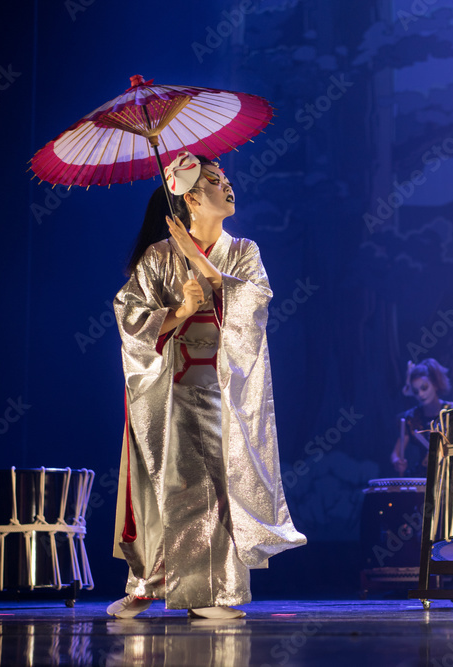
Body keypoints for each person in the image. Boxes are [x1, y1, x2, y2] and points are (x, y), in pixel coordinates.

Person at [108, 151, 306, 619]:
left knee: (219, 489)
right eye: (216, 181)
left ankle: (214, 592)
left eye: (225, 178)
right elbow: (129, 317)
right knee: (161, 488)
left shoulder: (244, 252)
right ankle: (147, 583)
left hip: (222, 391)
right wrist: (178, 311)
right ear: (191, 198)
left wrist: (212, 278)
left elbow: (255, 306)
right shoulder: (159, 257)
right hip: (171, 392)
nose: (228, 185)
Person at [390, 359, 453, 476]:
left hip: (448, 475)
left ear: (435, 384)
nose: (421, 394)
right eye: (416, 391)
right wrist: (397, 462)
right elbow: (396, 453)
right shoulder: (412, 417)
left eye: (424, 387)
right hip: (421, 477)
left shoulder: (450, 411)